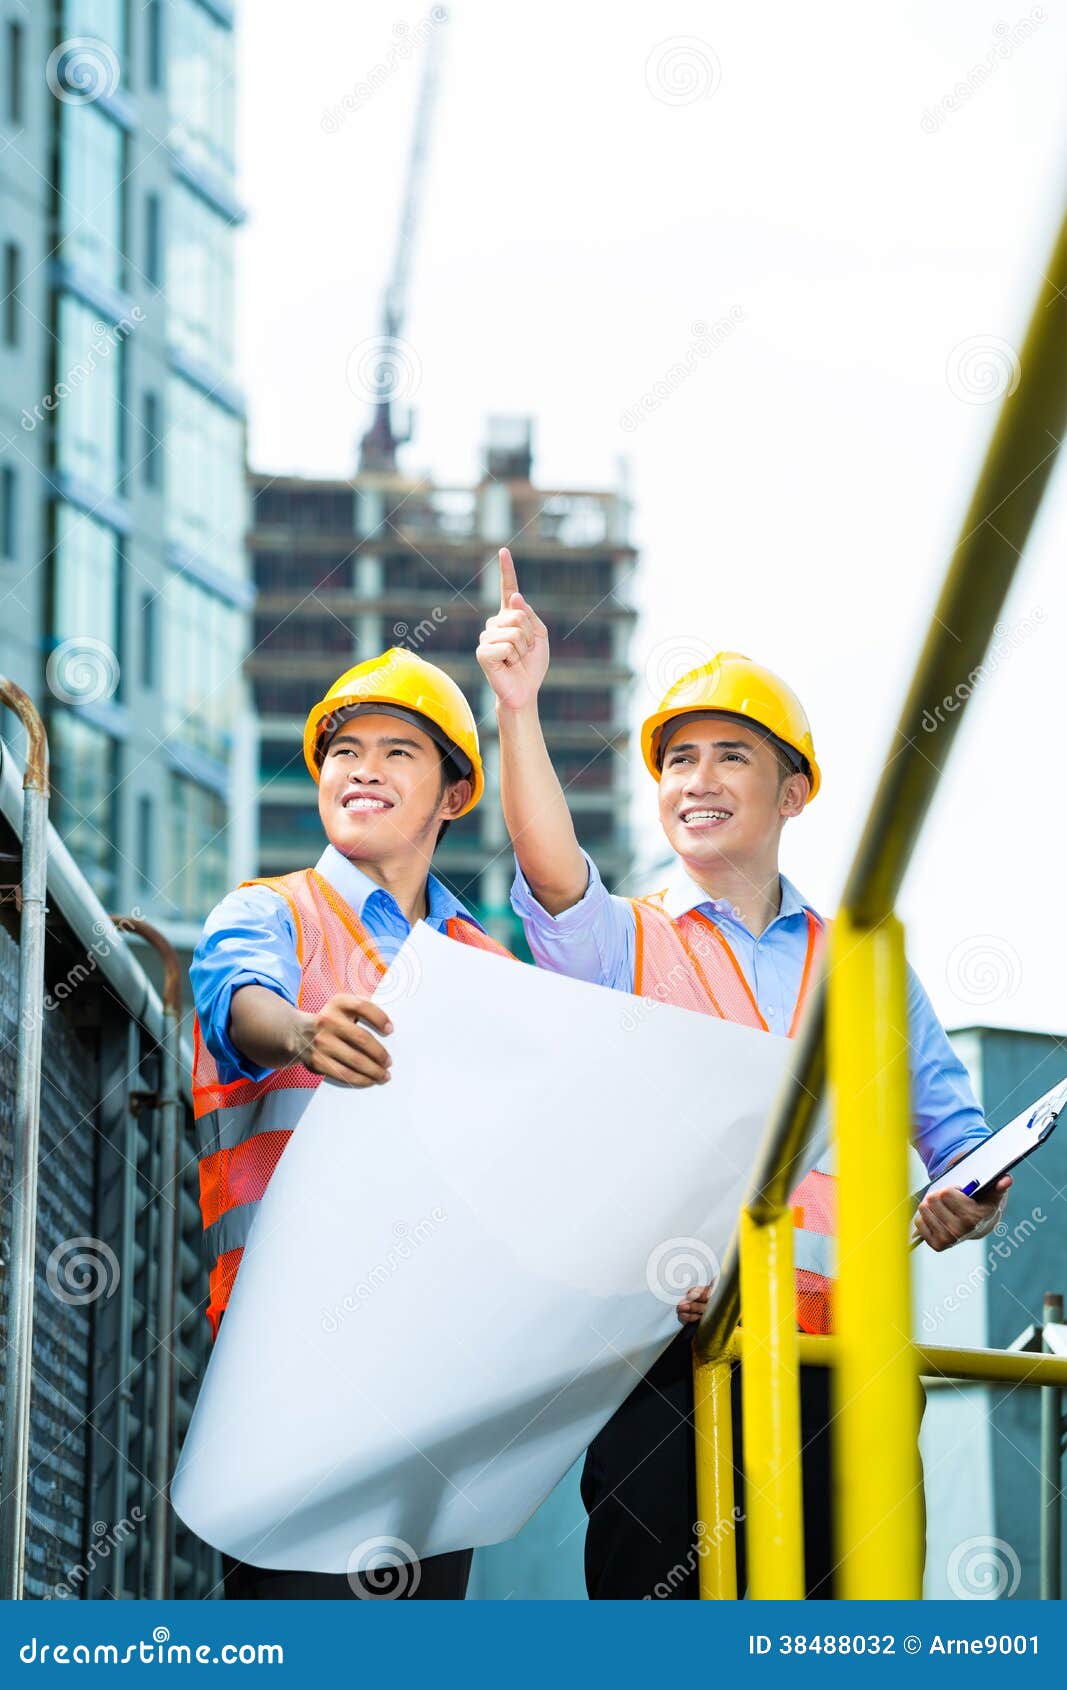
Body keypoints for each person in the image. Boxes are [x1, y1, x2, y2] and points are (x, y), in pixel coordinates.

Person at [477, 548, 1010, 1600]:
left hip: (840, 1366)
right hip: (665, 1361)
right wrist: (517, 709)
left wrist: (970, 1196)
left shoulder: (864, 963)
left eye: (728, 755)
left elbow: (961, 1144)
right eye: (676, 760)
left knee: (841, 1625)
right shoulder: (620, 941)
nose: (697, 780)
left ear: (791, 791)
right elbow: (547, 866)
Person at [189, 648, 513, 1600]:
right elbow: (240, 1000)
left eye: (398, 752)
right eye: (344, 751)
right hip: (289, 1359)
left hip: (439, 1375)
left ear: (454, 795)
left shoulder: (486, 963)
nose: (361, 768)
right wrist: (299, 1030)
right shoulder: (269, 910)